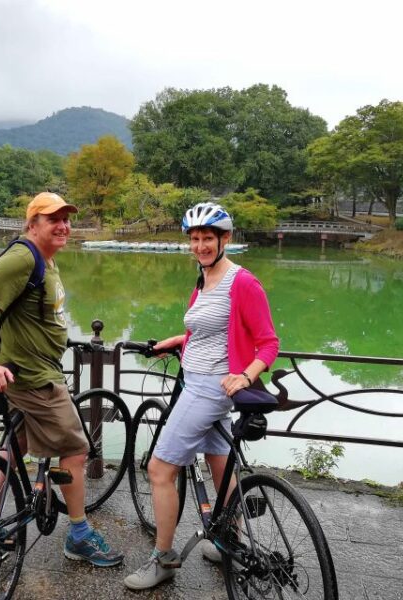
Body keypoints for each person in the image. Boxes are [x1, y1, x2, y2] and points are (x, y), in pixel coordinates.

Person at [0, 191, 124, 567]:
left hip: (29, 372)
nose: (63, 225)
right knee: (77, 451)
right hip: (35, 380)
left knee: (11, 452)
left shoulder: (47, 260)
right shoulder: (23, 256)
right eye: (53, 219)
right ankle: (79, 535)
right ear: (32, 224)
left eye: (67, 218)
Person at [124, 202, 279, 590]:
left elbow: (268, 343)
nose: (200, 245)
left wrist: (246, 375)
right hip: (196, 377)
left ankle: (163, 559)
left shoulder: (242, 282)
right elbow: (206, 330)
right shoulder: (203, 279)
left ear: (225, 239)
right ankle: (229, 541)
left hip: (210, 386)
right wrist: (178, 341)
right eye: (194, 239)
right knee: (218, 462)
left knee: (160, 470)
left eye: (207, 238)